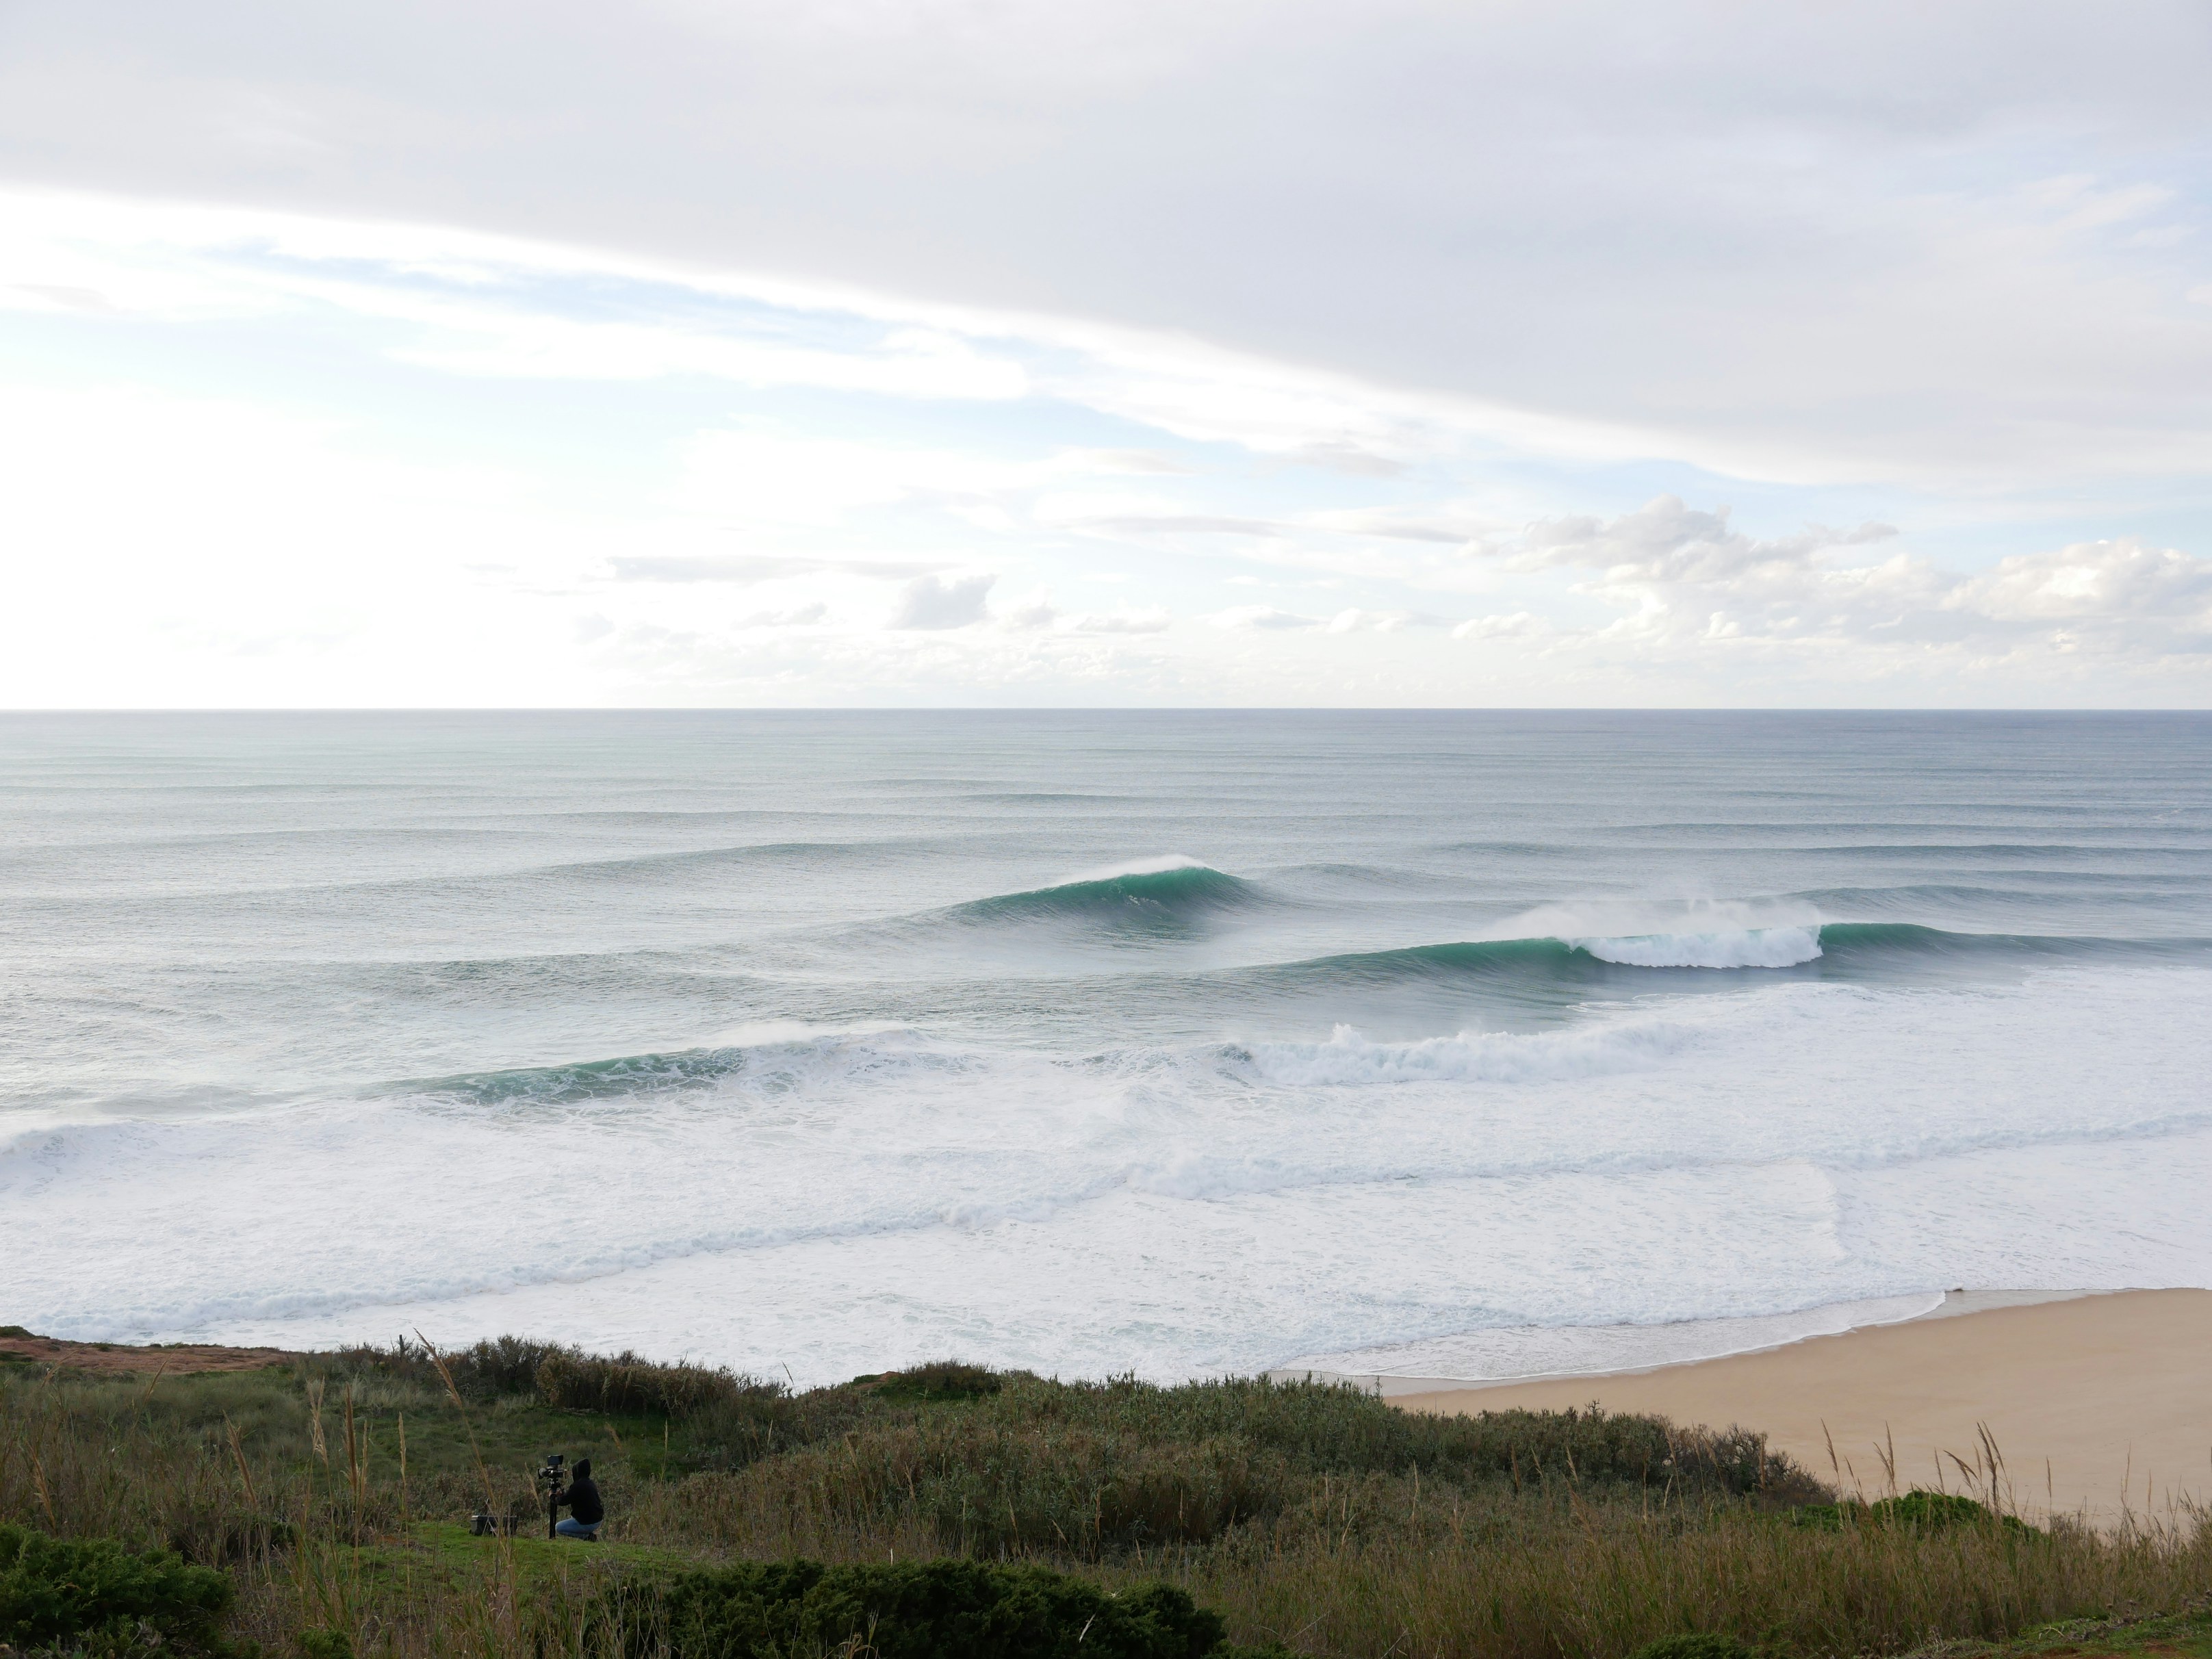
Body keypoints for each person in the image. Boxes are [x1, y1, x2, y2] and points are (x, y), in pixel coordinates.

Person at [553, 1457, 604, 1540]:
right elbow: (572, 1496)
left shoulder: (578, 1486)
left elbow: (563, 1502)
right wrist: (562, 1495)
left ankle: (588, 1537)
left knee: (559, 1527)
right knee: (572, 1520)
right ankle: (588, 1534)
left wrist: (553, 1496)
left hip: (589, 1522)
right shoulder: (590, 1483)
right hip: (597, 1519)